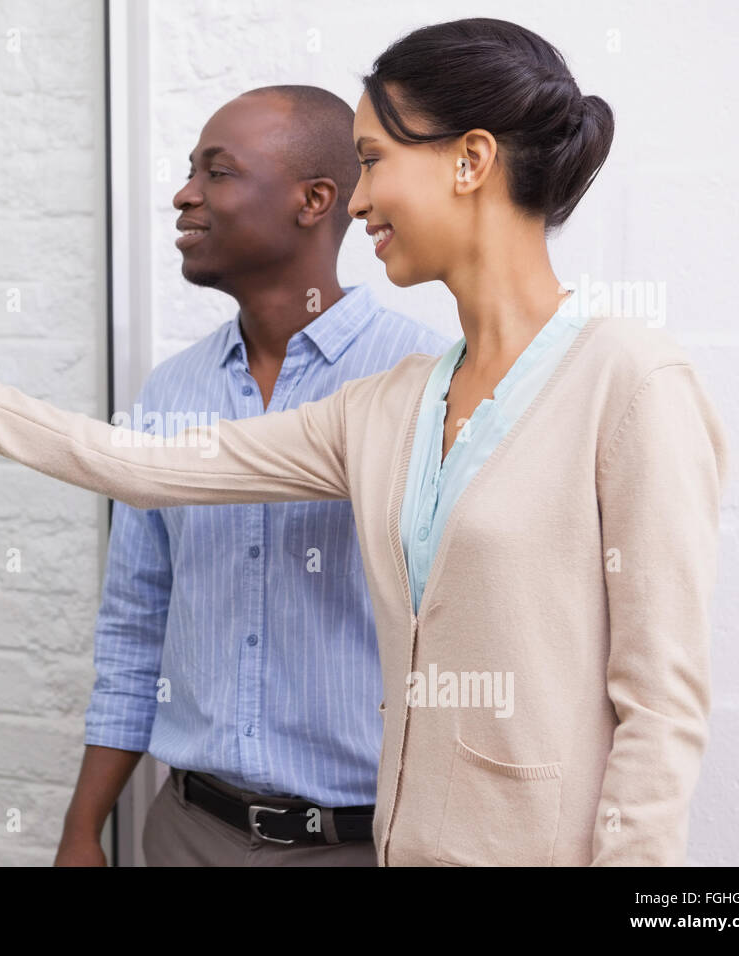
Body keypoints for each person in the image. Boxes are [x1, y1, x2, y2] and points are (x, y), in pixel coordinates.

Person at [0, 18, 730, 866]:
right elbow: (138, 464)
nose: (359, 199)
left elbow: (661, 711)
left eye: (373, 161)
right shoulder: (386, 406)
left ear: (469, 161)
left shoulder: (630, 382)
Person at [51, 86, 451, 867]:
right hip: (187, 835)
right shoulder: (171, 393)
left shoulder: (421, 382)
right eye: (190, 170)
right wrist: (81, 828)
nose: (185, 193)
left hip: (366, 845)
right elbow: (137, 619)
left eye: (218, 171)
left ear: (314, 200)